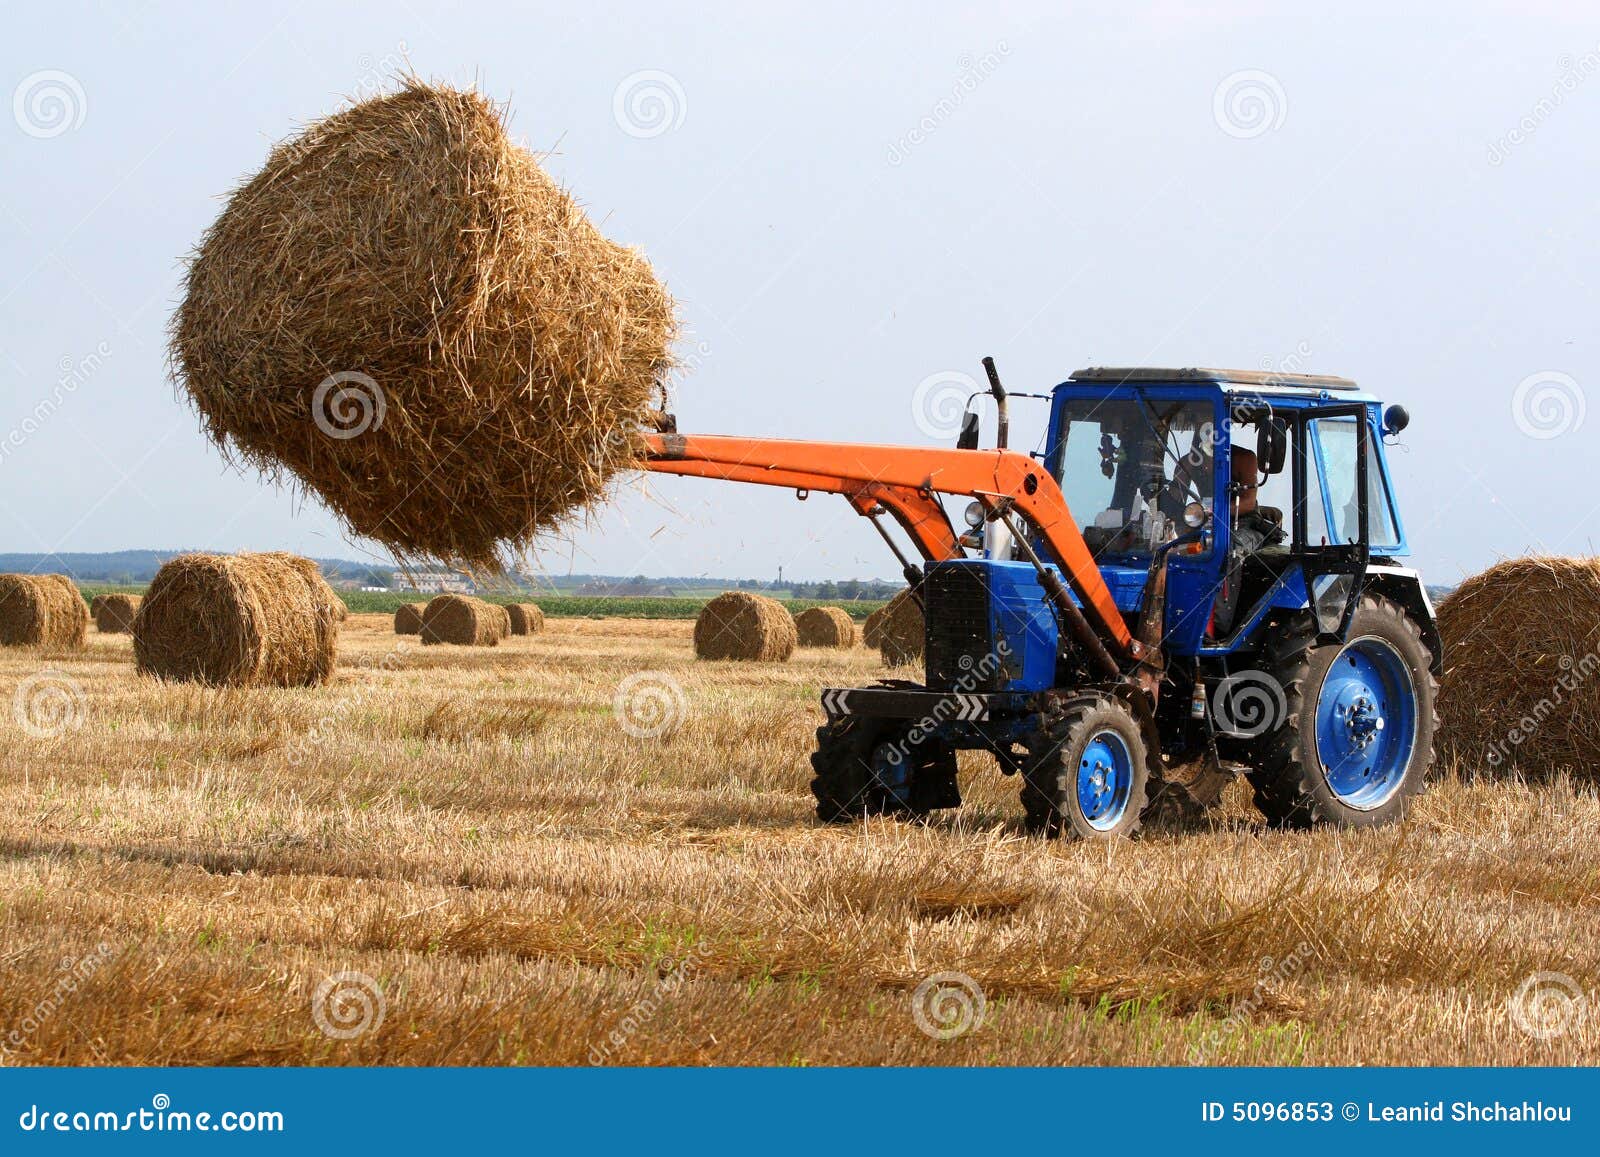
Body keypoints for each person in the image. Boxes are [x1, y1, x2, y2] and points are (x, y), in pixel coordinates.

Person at [1212, 446, 1284, 637]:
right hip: (1206, 523)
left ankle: (1219, 626)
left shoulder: (1244, 458)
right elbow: (1175, 496)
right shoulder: (1189, 460)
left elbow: (1248, 502)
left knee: (1231, 549)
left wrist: (1213, 511)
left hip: (1244, 524)